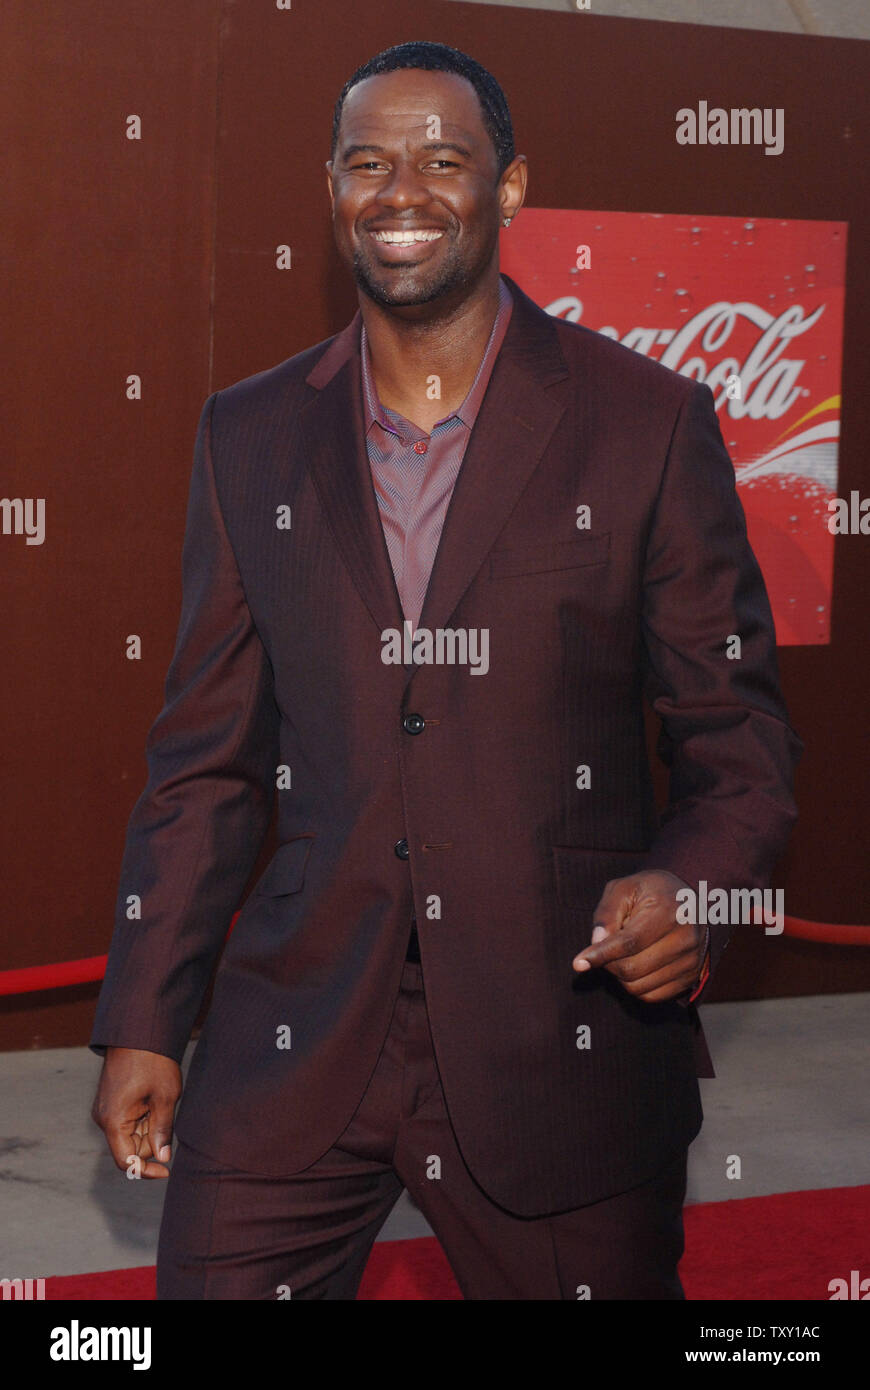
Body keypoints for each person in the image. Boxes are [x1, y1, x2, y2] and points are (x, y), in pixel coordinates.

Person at [90, 40, 802, 1300]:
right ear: (330, 192)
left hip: (560, 1043)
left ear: (511, 188)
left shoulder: (646, 424)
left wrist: (694, 893)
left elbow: (738, 749)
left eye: (441, 160)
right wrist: (148, 1012)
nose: (401, 192)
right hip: (301, 1034)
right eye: (368, 162)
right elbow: (205, 763)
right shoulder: (246, 434)